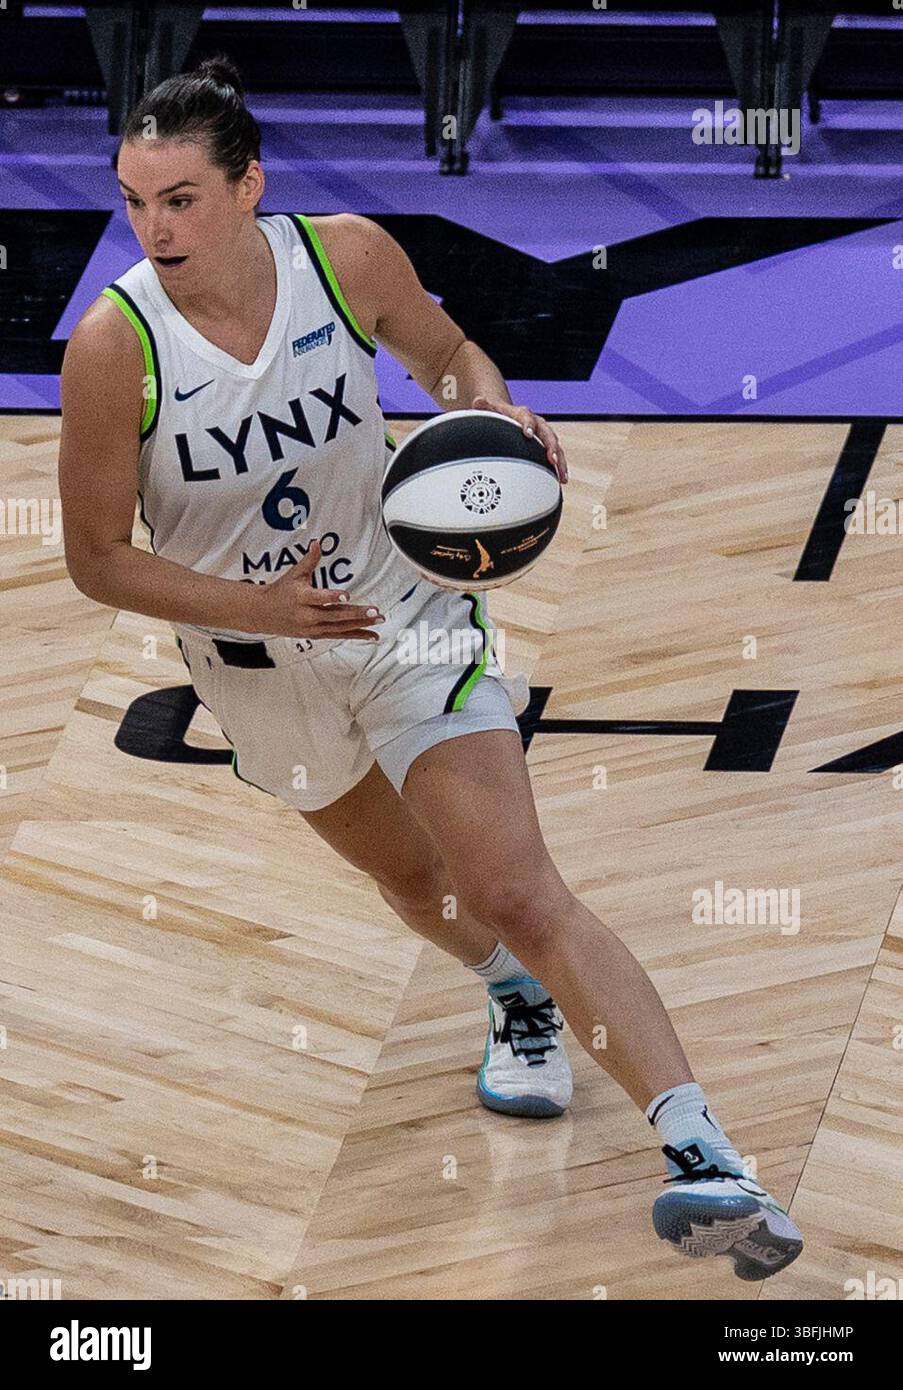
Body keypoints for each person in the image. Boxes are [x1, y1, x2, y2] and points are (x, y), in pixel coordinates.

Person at [57, 54, 803, 1281]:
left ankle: (710, 1162)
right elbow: (94, 560)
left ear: (250, 187)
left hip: (405, 615)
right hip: (260, 664)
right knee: (416, 882)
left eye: (180, 197)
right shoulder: (113, 347)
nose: (154, 226)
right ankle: (513, 997)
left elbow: (452, 358)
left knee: (515, 880)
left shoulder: (346, 258)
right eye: (135, 200)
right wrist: (263, 607)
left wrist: (493, 411)